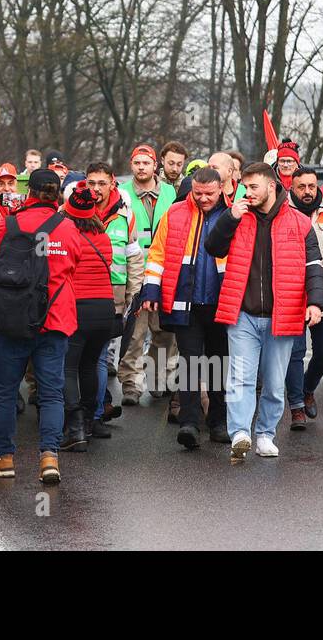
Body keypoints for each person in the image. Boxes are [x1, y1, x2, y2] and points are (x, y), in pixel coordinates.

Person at [204, 162, 323, 460]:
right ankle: (241, 433)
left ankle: (266, 435)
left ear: (271, 186)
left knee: (273, 382)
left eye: (253, 187)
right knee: (241, 377)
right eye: (245, 187)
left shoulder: (299, 222)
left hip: (282, 315)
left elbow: (314, 266)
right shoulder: (237, 216)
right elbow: (213, 247)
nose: (247, 193)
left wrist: (315, 302)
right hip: (242, 313)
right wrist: (229, 219)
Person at [0, 168, 82, 484]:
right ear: (58, 194)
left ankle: (3, 458)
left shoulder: (9, 223)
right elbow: (75, 261)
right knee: (51, 393)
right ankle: (49, 458)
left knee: (6, 391)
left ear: (29, 192)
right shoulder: (67, 227)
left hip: (13, 318)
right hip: (54, 319)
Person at [142, 166, 229, 448]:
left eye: (209, 194)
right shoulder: (176, 213)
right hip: (186, 301)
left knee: (218, 362)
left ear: (221, 189)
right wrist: (152, 289)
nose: (203, 199)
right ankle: (190, 423)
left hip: (221, 302)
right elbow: (157, 253)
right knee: (190, 361)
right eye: (198, 193)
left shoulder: (232, 216)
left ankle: (218, 421)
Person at [61, 183, 133, 451]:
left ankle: (75, 426)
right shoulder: (103, 236)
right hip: (104, 309)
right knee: (90, 366)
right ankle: (91, 422)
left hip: (77, 308)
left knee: (68, 368)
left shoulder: (67, 236)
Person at [118, 143, 178, 408]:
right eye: (137, 163)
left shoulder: (170, 192)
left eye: (146, 163)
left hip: (165, 270)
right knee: (134, 332)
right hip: (135, 271)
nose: (141, 167)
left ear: (156, 165)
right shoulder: (122, 194)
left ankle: (157, 379)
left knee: (164, 332)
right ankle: (131, 383)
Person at [284, 167, 323, 430]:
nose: (308, 192)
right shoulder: (282, 213)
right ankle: (297, 405)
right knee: (295, 353)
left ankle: (308, 389)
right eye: (302, 187)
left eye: (311, 186)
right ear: (292, 188)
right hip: (291, 295)